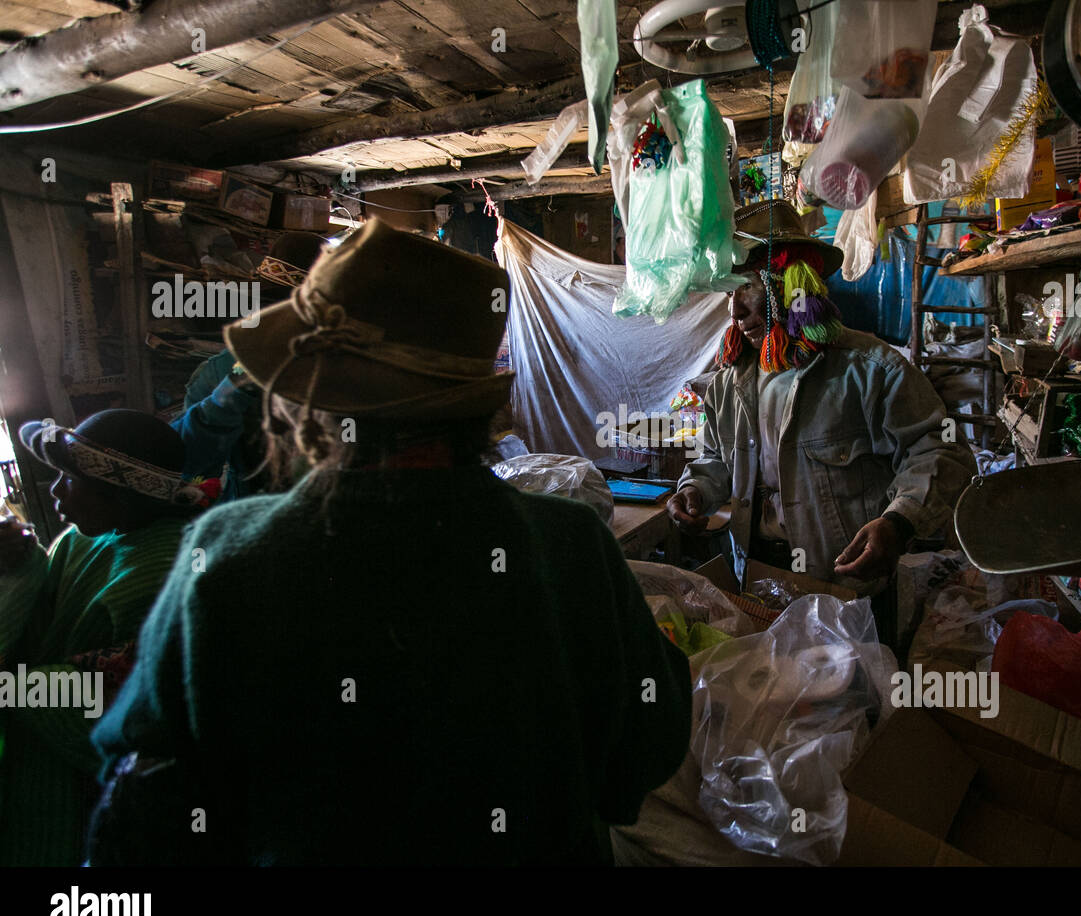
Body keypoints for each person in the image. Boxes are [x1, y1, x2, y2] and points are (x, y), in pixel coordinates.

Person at [90, 218, 692, 865]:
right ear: (472, 406)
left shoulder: (225, 560)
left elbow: (142, 804)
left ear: (305, 399)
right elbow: (646, 750)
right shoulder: (569, 547)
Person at [666, 200, 976, 633]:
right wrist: (697, 488)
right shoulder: (727, 383)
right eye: (729, 293)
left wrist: (898, 521)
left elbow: (940, 450)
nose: (735, 312)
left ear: (794, 284)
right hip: (756, 576)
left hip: (847, 585)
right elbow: (715, 458)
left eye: (749, 288)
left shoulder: (870, 369)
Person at [0, 409, 205, 865]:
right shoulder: (80, 539)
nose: (54, 491)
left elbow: (128, 695)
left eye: (68, 481)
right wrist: (18, 563)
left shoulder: (167, 568)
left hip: (93, 787)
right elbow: (41, 622)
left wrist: (11, 688)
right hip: (39, 756)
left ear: (120, 500)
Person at [171, 232, 327, 502]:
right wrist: (235, 387)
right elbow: (190, 468)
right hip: (253, 513)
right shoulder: (222, 371)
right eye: (270, 308)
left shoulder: (345, 367)